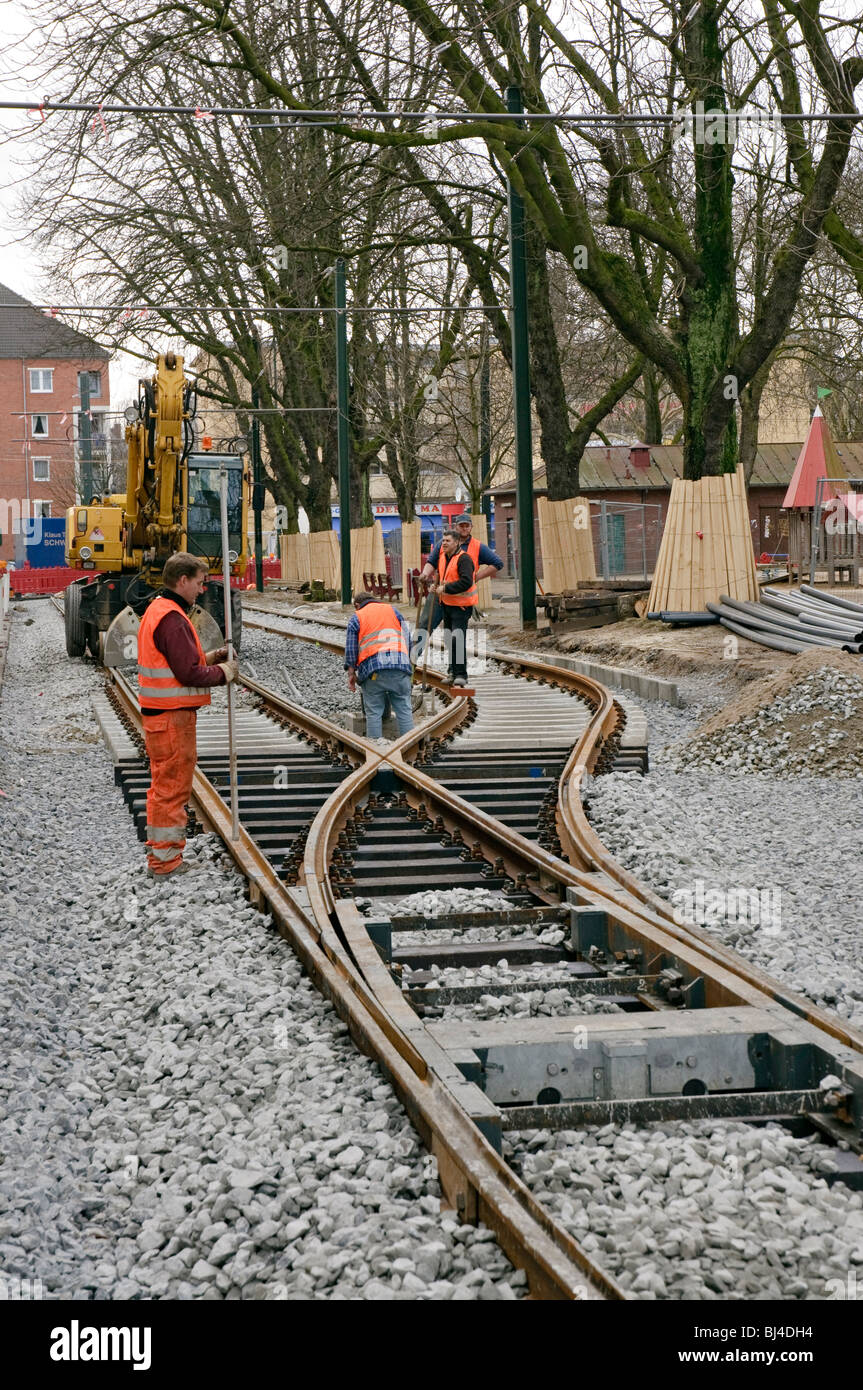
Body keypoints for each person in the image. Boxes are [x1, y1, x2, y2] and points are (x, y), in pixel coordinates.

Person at [137, 552, 238, 878]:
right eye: (198, 582)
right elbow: (187, 673)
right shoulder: (172, 618)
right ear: (182, 581)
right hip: (172, 720)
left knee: (162, 788)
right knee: (172, 790)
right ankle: (165, 864)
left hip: (161, 718)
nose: (202, 589)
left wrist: (211, 657)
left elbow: (178, 663)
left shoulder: (159, 611)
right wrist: (224, 672)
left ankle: (163, 858)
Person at [344, 592, 414, 742]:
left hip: (373, 672)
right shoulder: (393, 611)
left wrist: (351, 674)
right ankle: (410, 746)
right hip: (400, 667)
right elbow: (408, 639)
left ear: (357, 605)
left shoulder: (357, 617)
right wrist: (405, 664)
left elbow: (351, 650)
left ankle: (375, 747)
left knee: (374, 711)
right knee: (404, 709)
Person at [419, 513, 503, 631]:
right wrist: (425, 574)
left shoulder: (477, 547)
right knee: (424, 626)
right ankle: (414, 649)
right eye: (461, 525)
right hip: (439, 595)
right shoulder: (444, 544)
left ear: (471, 527)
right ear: (455, 527)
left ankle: (453, 649)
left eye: (466, 526)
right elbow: (432, 561)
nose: (464, 528)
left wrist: (476, 577)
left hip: (460, 600)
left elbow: (498, 563)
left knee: (454, 638)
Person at [434, 530, 476, 686]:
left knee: (457, 639)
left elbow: (466, 582)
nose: (444, 543)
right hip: (447, 605)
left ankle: (461, 674)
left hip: (461, 607)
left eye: (448, 541)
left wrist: (445, 589)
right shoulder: (444, 557)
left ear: (457, 542)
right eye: (443, 540)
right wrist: (436, 586)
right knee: (449, 640)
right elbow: (443, 577)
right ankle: (452, 671)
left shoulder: (464, 559)